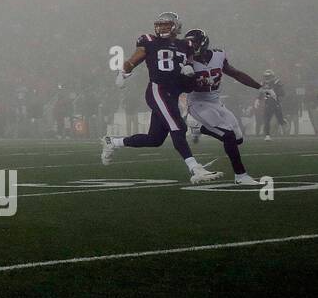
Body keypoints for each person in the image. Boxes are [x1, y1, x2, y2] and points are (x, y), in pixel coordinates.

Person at [102, 12, 222, 184]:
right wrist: (124, 72)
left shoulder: (185, 44)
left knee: (155, 139)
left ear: (176, 26)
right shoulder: (149, 41)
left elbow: (188, 61)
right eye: (160, 24)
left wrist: (188, 68)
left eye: (167, 24)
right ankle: (195, 169)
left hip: (173, 92)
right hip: (158, 89)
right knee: (178, 126)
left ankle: (113, 142)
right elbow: (133, 59)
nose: (163, 27)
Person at [182, 29, 266, 185]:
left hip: (216, 102)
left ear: (203, 42)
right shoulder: (186, 61)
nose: (191, 45)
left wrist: (260, 87)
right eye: (189, 42)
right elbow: (182, 87)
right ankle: (241, 176)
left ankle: (198, 128)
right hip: (198, 104)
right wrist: (186, 76)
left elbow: (236, 73)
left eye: (194, 42)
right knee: (228, 136)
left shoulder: (218, 55)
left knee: (238, 138)